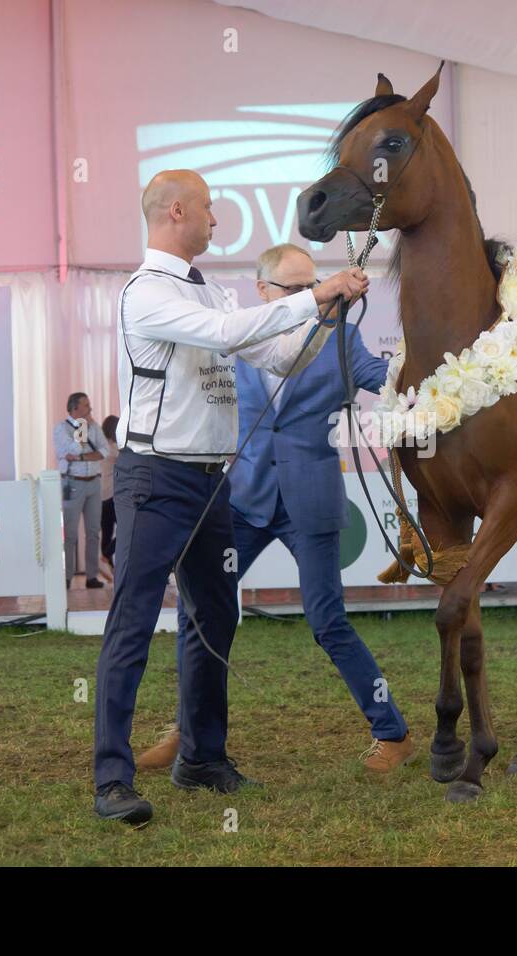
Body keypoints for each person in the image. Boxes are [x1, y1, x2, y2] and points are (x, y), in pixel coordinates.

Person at [93, 169, 367, 825]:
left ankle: (203, 758)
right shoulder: (144, 293)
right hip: (155, 479)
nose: (217, 221)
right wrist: (314, 294)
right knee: (132, 622)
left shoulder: (211, 291)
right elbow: (225, 335)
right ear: (177, 211)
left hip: (211, 483)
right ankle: (111, 778)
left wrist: (325, 318)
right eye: (211, 210)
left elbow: (279, 359)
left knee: (216, 619)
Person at [137, 244, 411, 776]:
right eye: (297, 290)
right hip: (240, 498)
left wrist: (432, 363)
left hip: (309, 498)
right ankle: (189, 734)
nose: (313, 297)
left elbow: (393, 381)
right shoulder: (229, 336)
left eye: (315, 285)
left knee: (326, 620)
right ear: (262, 290)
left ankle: (392, 732)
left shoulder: (342, 338)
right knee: (202, 611)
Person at [53, 393, 108, 590]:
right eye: (86, 406)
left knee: (93, 532)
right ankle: (67, 576)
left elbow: (105, 451)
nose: (90, 409)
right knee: (70, 533)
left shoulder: (95, 426)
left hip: (94, 483)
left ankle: (92, 576)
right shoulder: (61, 429)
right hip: (72, 483)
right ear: (75, 409)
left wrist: (82, 458)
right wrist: (83, 427)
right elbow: (74, 449)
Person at [100, 415, 120, 571]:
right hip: (112, 494)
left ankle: (109, 565)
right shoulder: (112, 448)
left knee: (106, 533)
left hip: (101, 495)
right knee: (127, 530)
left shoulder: (100, 446)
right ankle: (107, 555)